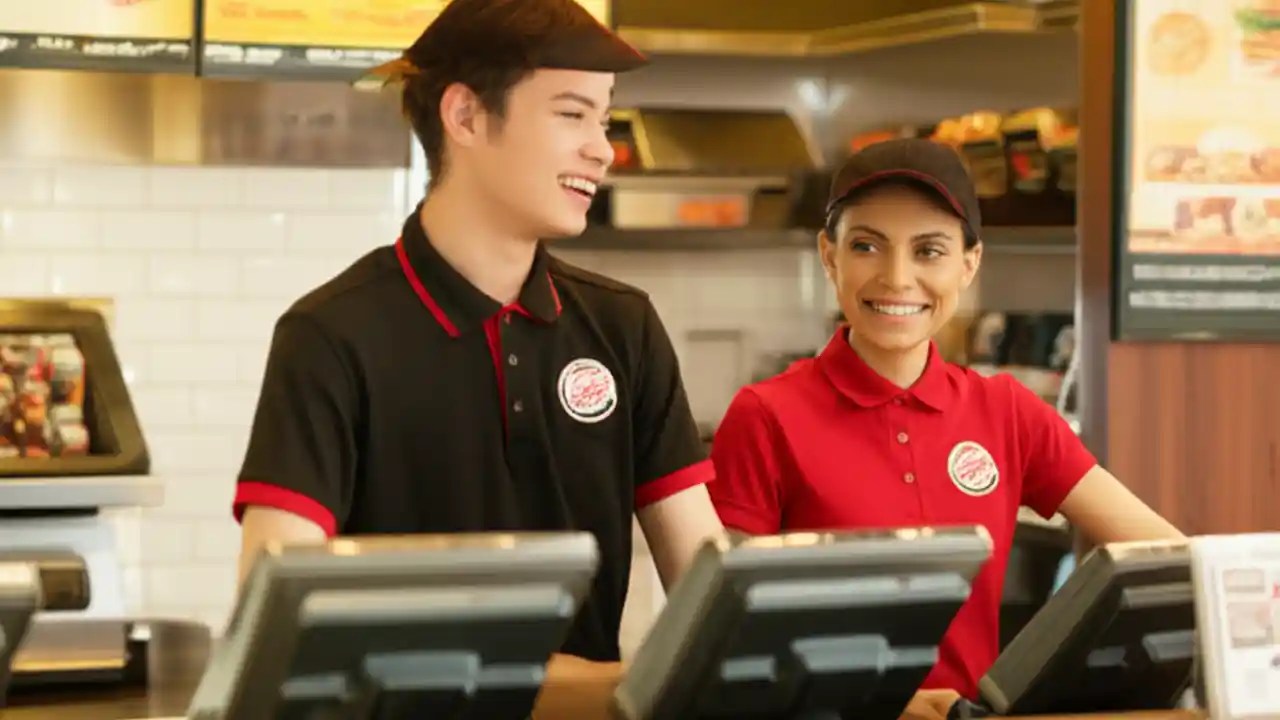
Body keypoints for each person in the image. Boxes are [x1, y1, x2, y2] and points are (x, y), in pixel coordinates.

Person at [232, 0, 722, 673]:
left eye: (602, 120)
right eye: (572, 114)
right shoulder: (330, 337)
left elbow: (709, 595)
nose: (603, 149)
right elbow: (271, 628)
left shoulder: (622, 326)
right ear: (464, 116)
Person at [706, 138, 1185, 713]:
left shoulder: (1007, 411)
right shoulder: (765, 415)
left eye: (929, 250)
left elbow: (1165, 557)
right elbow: (722, 641)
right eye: (866, 246)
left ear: (969, 263)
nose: (897, 277)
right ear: (829, 256)